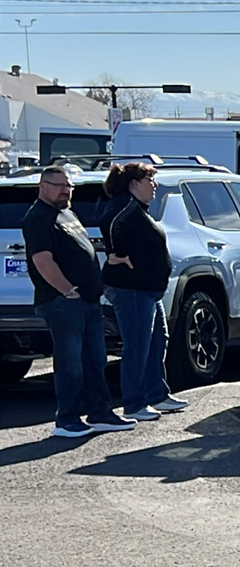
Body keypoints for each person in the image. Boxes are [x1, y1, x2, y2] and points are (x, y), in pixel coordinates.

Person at [23, 166, 135, 437]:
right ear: (43, 186)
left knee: (95, 359)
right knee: (70, 362)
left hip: (87, 301)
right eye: (59, 185)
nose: (66, 190)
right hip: (62, 302)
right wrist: (67, 290)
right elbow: (42, 260)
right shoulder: (38, 217)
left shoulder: (67, 213)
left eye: (69, 185)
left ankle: (100, 413)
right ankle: (68, 419)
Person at [102, 162, 187, 421]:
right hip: (132, 289)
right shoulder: (123, 206)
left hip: (149, 290)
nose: (155, 186)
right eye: (150, 181)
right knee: (137, 345)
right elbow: (110, 224)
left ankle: (156, 394)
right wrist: (117, 253)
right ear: (134, 183)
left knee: (158, 340)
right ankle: (134, 403)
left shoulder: (138, 208)